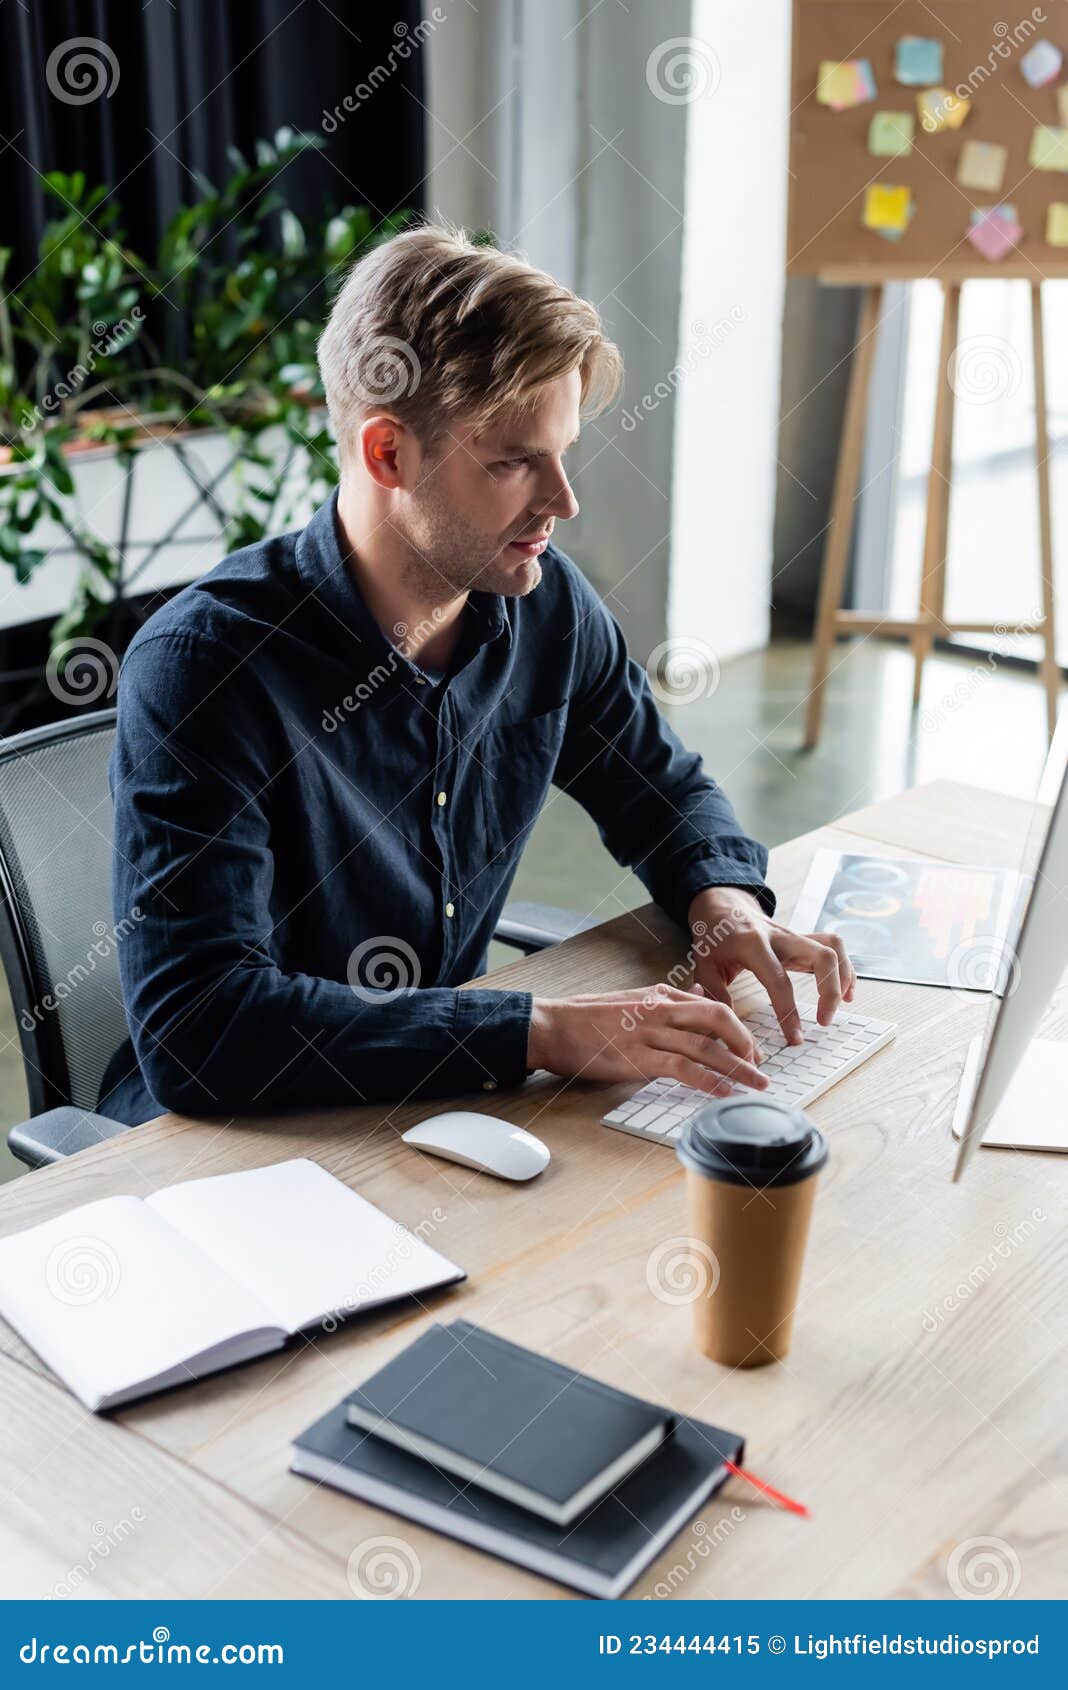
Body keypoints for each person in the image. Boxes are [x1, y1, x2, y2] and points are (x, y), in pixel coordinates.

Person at [99, 223, 855, 1127]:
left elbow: (661, 788)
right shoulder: (206, 669)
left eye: (563, 451)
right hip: (234, 1145)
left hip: (433, 1108)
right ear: (388, 454)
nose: (562, 502)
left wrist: (721, 900)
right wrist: (540, 1033)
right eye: (513, 463)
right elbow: (203, 1031)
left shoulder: (545, 605)